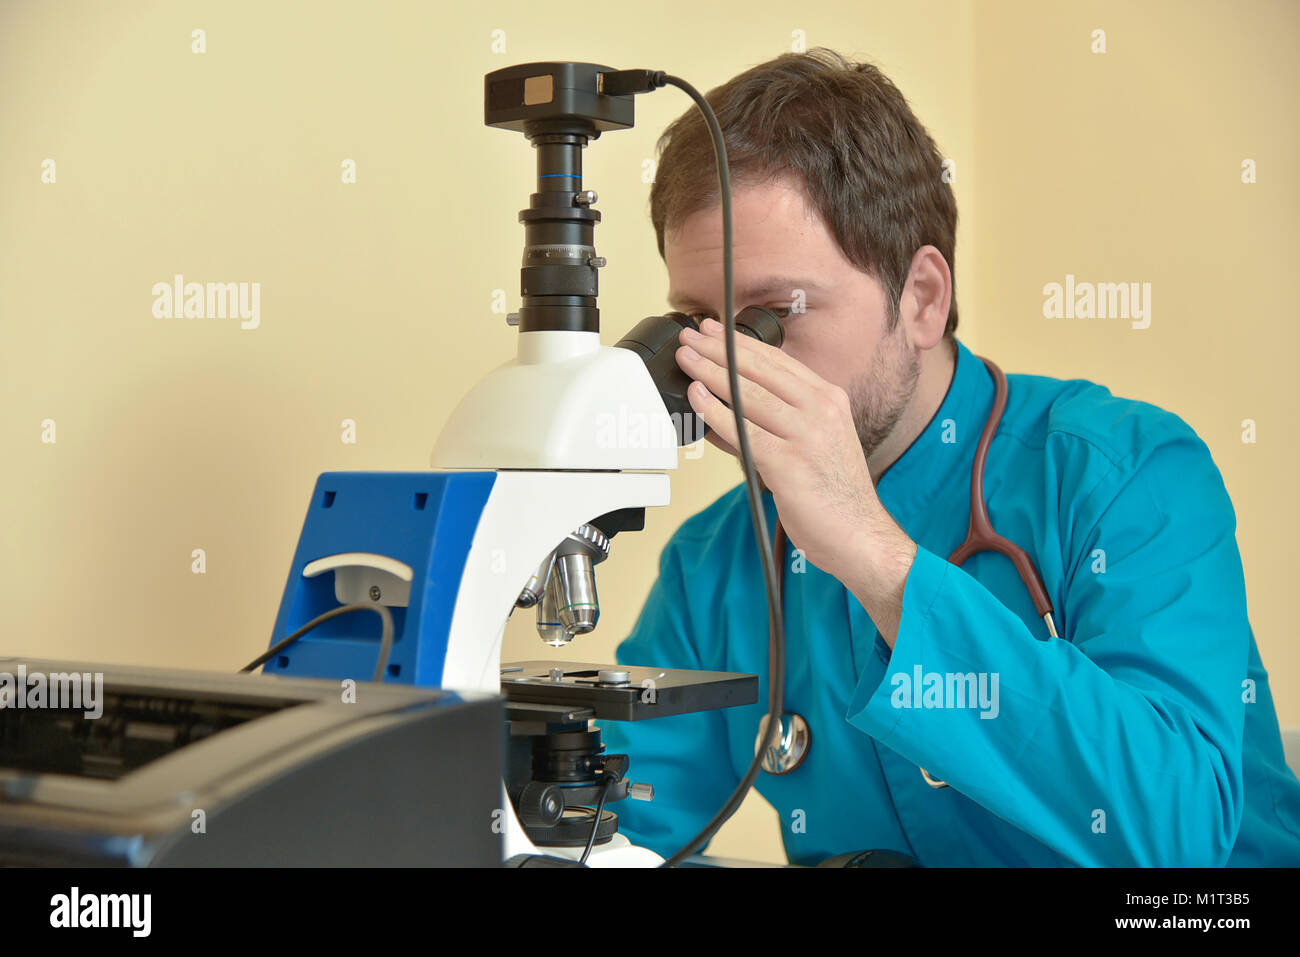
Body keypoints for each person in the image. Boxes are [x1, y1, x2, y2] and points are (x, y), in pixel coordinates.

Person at [596, 47, 1300, 866]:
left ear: (923, 298)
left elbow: (1177, 834)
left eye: (774, 316)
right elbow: (624, 833)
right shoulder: (716, 563)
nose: (727, 368)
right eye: (698, 324)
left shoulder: (1125, 477)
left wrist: (875, 557)